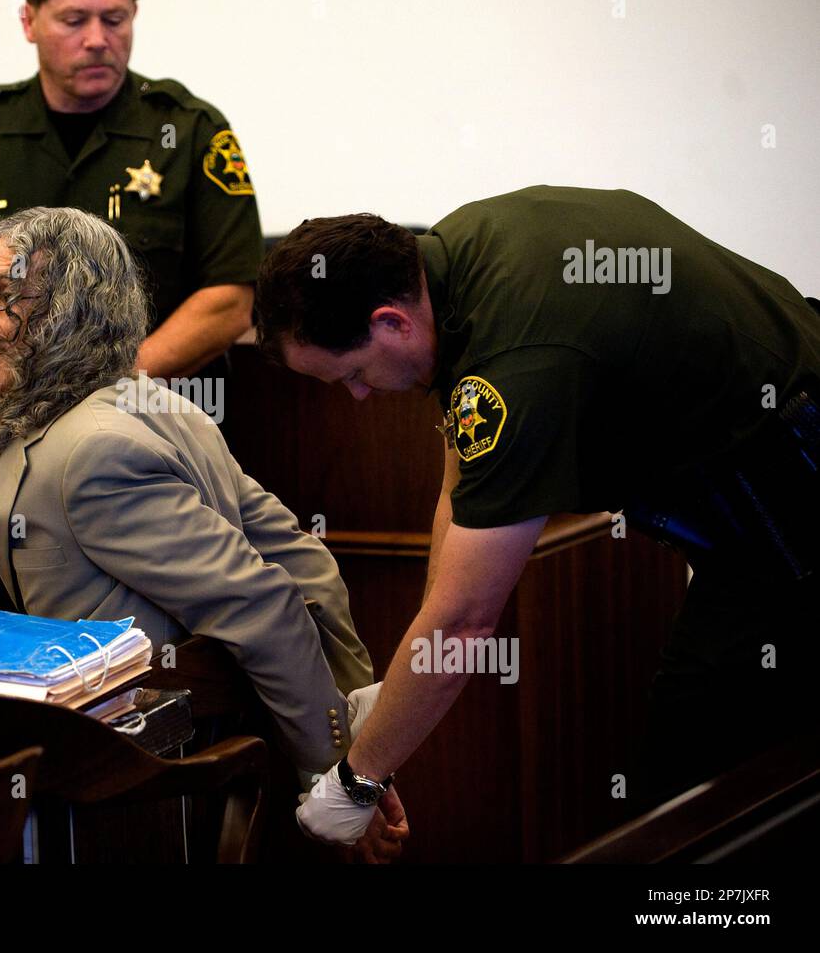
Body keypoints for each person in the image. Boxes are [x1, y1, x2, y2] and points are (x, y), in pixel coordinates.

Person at [252, 185, 820, 847]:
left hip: (794, 500)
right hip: (760, 483)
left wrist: (356, 782)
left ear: (390, 323)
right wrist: (403, 683)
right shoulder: (455, 252)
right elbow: (464, 483)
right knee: (694, 741)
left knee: (709, 768)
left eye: (350, 373)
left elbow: (465, 622)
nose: (356, 396)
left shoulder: (517, 363)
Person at [0, 206, 404, 861]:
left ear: (69, 313)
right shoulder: (157, 404)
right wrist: (355, 728)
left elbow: (264, 604)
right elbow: (308, 571)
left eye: (2, 297)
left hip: (132, 803)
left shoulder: (89, 452)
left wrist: (336, 780)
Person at [0, 0, 260, 609]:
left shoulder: (192, 133)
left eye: (115, 19)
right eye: (74, 20)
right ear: (30, 20)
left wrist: (93, 393)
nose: (97, 39)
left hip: (147, 441)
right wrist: (26, 384)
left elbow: (229, 300)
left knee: (144, 655)